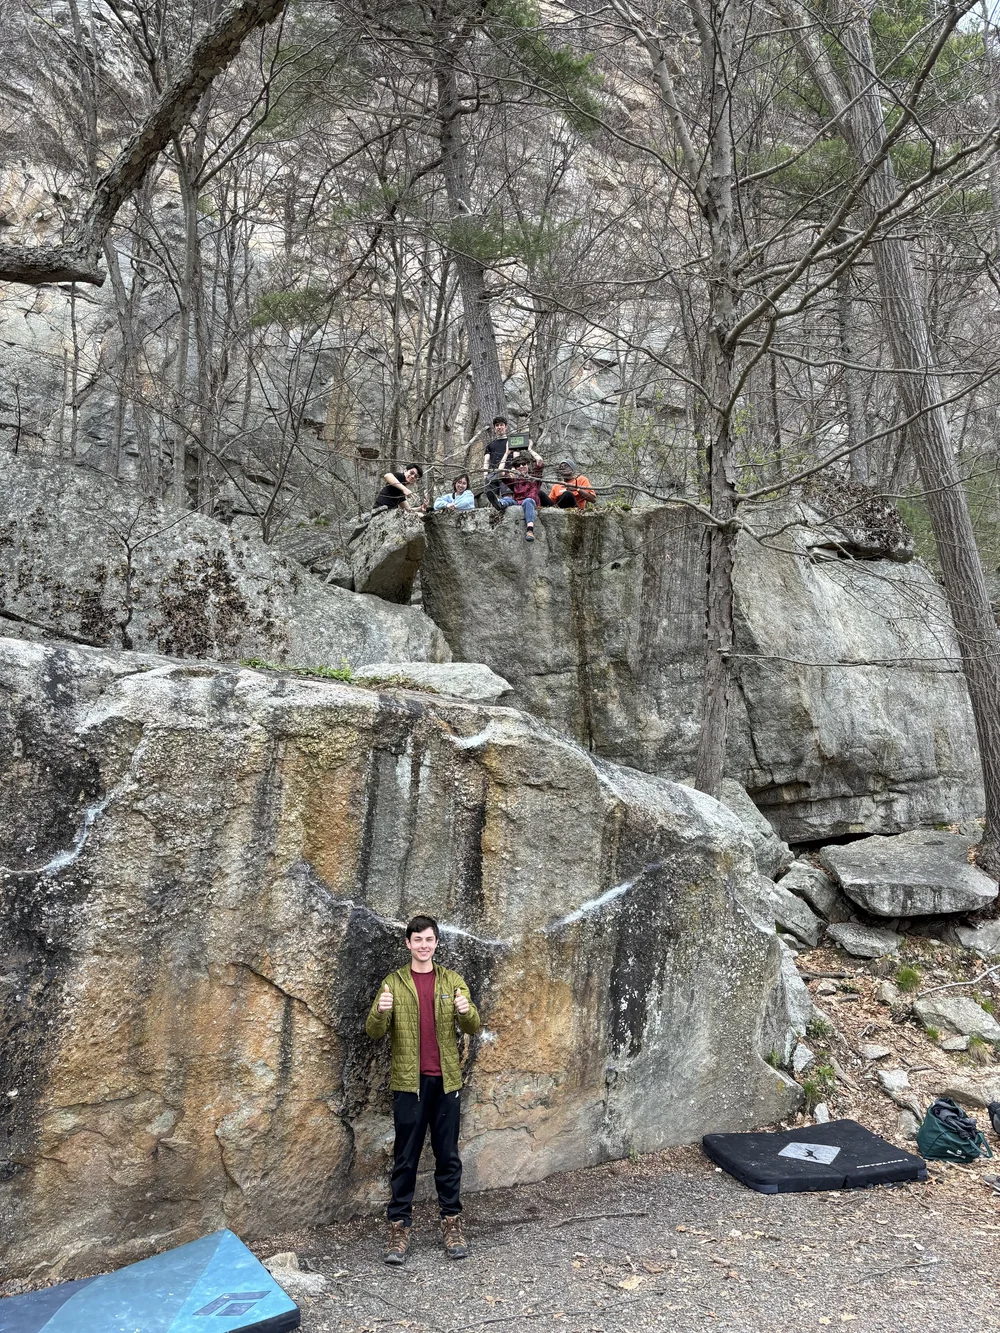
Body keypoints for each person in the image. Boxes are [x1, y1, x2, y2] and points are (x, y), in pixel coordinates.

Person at [366, 915, 481, 1266]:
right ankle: (399, 1228)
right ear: (408, 944)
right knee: (406, 1159)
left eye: (429, 939)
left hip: (446, 1083)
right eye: (417, 940)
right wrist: (381, 1012)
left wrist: (466, 1010)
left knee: (447, 1157)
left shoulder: (452, 980)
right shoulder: (393, 983)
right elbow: (372, 1031)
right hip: (408, 1084)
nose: (423, 945)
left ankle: (452, 1224)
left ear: (436, 943)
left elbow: (473, 1025)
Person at [492, 444, 544, 541]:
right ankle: (500, 504)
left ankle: (530, 530)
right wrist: (507, 453)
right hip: (517, 502)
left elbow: (540, 460)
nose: (521, 467)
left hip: (531, 503)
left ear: (527, 465)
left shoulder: (534, 477)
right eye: (518, 466)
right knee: (507, 499)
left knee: (528, 501)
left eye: (523, 464)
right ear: (515, 469)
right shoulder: (514, 480)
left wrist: (530, 449)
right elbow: (500, 472)